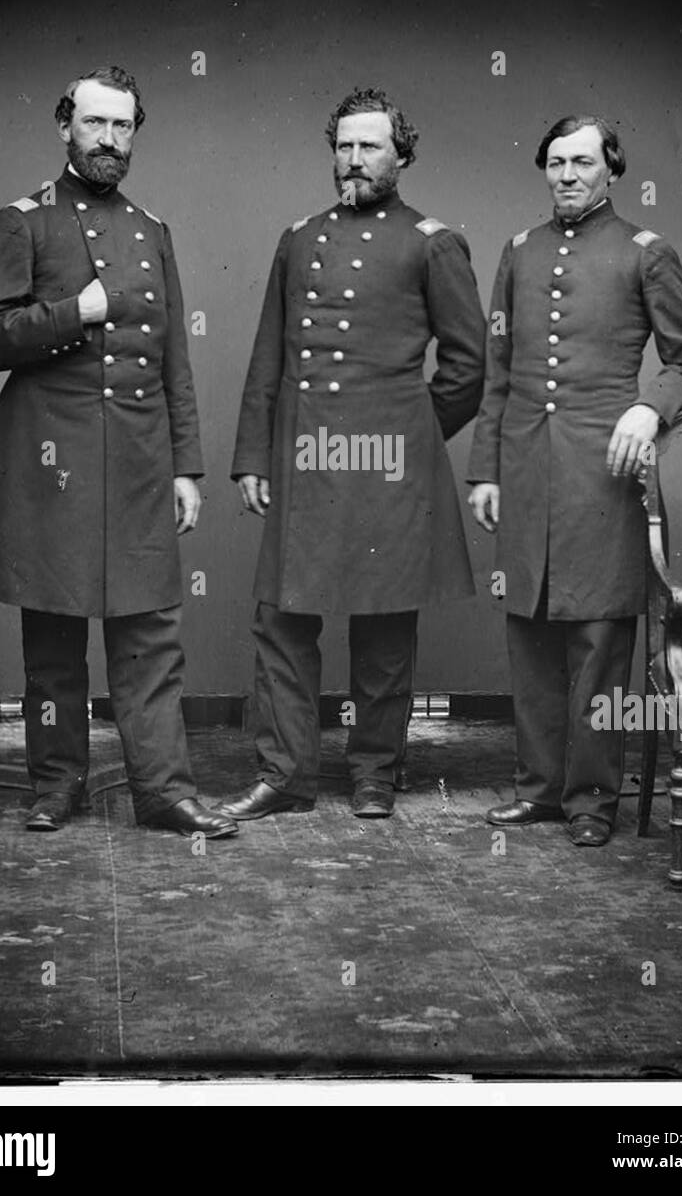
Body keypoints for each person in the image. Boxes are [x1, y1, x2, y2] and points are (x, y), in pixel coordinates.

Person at [0, 65, 237, 841]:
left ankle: (164, 793)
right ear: (64, 126)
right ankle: (55, 787)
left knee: (150, 636)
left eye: (122, 127)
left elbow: (173, 359)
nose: (109, 140)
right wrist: (72, 311)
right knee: (52, 639)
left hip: (142, 463)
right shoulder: (25, 220)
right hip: (52, 463)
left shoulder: (153, 231)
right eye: (94, 124)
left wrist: (186, 466)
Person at [215, 87, 485, 820]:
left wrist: (410, 435)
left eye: (369, 146)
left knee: (384, 624)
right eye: (343, 146)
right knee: (281, 620)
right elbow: (267, 356)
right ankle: (285, 774)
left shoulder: (432, 241)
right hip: (304, 461)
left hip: (388, 469)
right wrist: (251, 458)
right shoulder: (298, 237)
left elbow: (467, 366)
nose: (353, 160)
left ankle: (373, 771)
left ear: (402, 155)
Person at [467, 114, 682, 847]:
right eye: (554, 162)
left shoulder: (645, 253)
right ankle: (539, 790)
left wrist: (648, 408)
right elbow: (498, 374)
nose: (566, 175)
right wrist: (485, 470)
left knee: (599, 642)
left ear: (610, 168)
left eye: (581, 162)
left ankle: (590, 802)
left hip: (604, 474)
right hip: (524, 469)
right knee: (530, 634)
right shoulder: (517, 251)